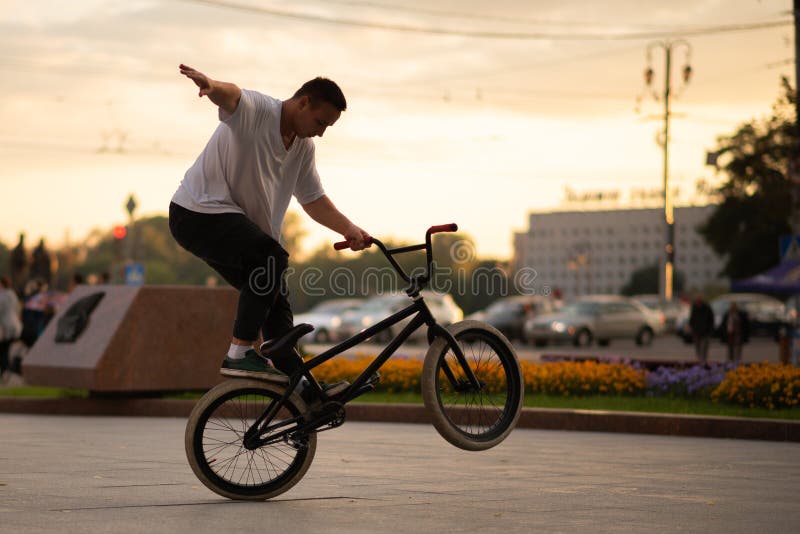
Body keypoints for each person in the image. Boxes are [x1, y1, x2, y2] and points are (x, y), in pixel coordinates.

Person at [169, 64, 370, 386]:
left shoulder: (303, 148)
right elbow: (233, 96)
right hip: (197, 213)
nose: (320, 133)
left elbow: (313, 198)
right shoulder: (260, 112)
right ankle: (238, 353)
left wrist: (349, 228)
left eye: (327, 127)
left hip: (236, 229)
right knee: (271, 258)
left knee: (277, 313)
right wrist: (212, 85)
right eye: (320, 122)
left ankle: (306, 396)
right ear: (303, 102)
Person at [0, 276, 22, 378]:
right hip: (15, 326)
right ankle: (6, 370)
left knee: (3, 349)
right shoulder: (13, 295)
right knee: (5, 349)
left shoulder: (2, 296)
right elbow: (18, 310)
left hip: (5, 327)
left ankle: (5, 371)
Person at [688, 295, 714, 363]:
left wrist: (710, 330)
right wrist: (691, 327)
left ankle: (704, 360)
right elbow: (692, 319)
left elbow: (711, 320)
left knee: (704, 347)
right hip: (696, 332)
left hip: (705, 332)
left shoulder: (707, 308)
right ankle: (699, 359)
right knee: (697, 347)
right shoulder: (694, 308)